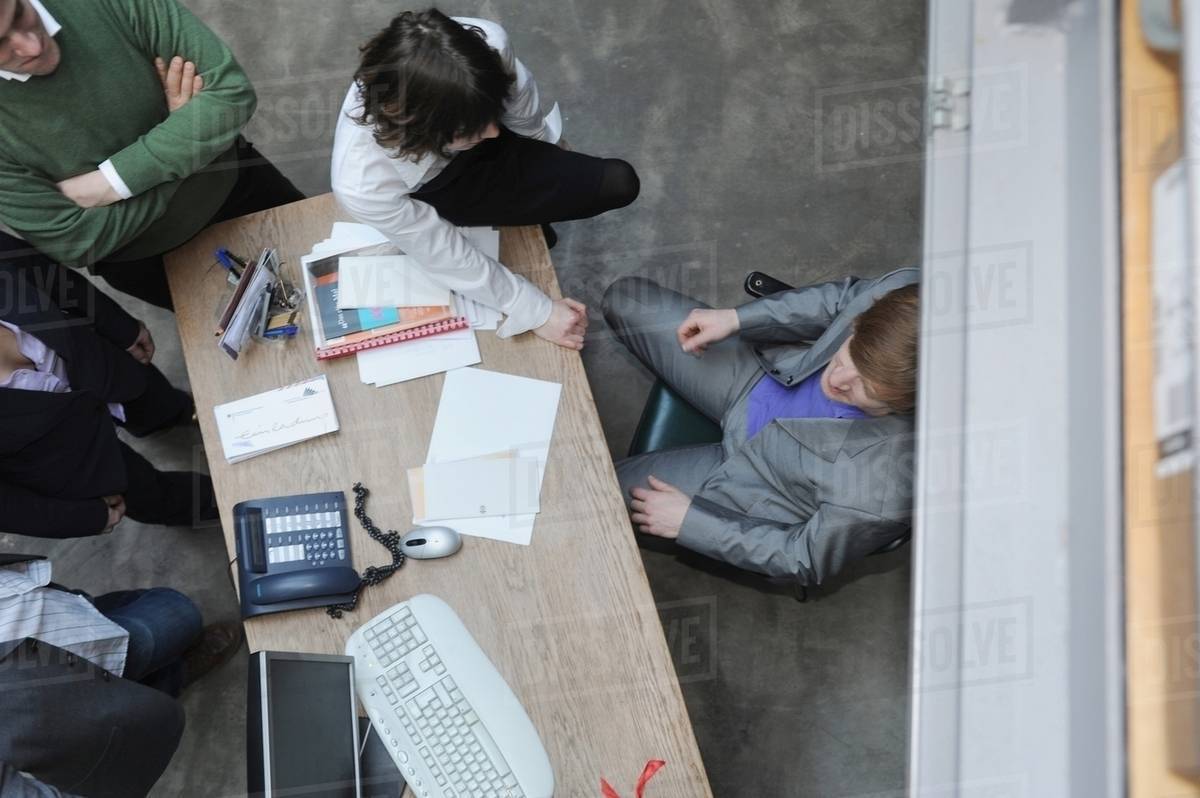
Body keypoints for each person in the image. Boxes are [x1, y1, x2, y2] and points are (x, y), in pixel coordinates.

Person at [332, 9, 641, 351]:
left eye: (490, 113)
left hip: (459, 133)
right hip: (438, 184)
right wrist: (535, 309)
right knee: (516, 239)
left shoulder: (487, 43)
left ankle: (532, 217)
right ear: (412, 124)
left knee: (618, 181)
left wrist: (547, 149)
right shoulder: (362, 183)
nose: (494, 132)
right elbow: (442, 253)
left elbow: (520, 109)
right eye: (473, 127)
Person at [603, 268, 919, 586]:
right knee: (626, 299)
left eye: (866, 388)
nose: (835, 381)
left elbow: (802, 557)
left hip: (760, 480)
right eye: (845, 356)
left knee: (602, 495)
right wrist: (739, 318)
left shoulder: (885, 493)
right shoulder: (901, 294)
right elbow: (836, 301)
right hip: (762, 376)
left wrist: (691, 524)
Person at [0, 0, 304, 310]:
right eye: (0, 44)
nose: (32, 45)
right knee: (272, 349)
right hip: (152, 263)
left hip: (245, 187)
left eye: (20, 13)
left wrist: (112, 182)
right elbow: (75, 240)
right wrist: (187, 148)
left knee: (341, 287)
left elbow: (231, 94)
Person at [0, 235, 216, 537]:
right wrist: (79, 518)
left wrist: (119, 327)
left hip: (97, 364)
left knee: (156, 401)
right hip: (64, 458)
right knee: (150, 493)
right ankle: (221, 503)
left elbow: (45, 274)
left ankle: (174, 416)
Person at [0, 552, 241, 797]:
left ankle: (151, 670)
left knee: (171, 611)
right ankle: (174, 675)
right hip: (62, 696)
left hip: (48, 607)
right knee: (178, 616)